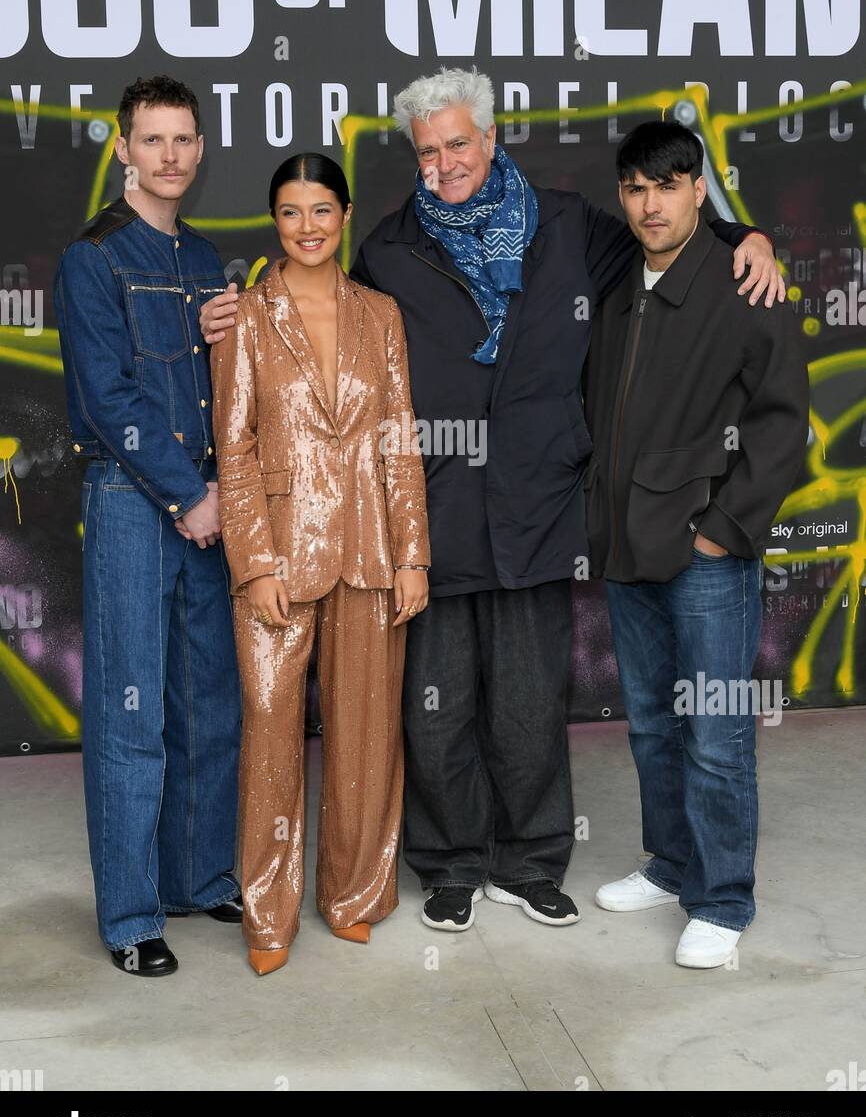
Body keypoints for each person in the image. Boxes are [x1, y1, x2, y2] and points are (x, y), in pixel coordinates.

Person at [201, 68, 784, 935]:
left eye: (458, 144)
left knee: (528, 699)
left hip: (540, 498)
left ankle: (532, 860)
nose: (443, 163)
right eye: (427, 151)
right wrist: (236, 315)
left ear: (491, 139)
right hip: (429, 509)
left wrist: (751, 237)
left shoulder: (567, 225)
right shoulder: (391, 248)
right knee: (435, 703)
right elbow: (334, 334)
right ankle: (450, 865)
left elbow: (670, 238)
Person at [585, 121, 809, 967]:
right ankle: (673, 865)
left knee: (715, 735)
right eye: (636, 188)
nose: (651, 204)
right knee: (649, 723)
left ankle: (722, 899)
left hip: (705, 553)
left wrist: (723, 532)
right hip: (625, 546)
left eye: (669, 186)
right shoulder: (615, 280)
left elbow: (784, 428)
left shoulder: (745, 284)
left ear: (697, 188)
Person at [210, 153, 429, 976]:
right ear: (275, 221)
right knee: (270, 740)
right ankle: (268, 913)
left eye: (322, 211)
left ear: (345, 214)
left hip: (372, 553)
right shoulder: (244, 317)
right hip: (276, 560)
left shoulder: (381, 314)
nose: (308, 227)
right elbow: (233, 450)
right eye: (291, 212)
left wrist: (413, 555)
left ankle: (355, 893)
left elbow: (400, 439)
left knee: (368, 736)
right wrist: (255, 562)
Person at [53, 76, 243, 977]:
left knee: (208, 703)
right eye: (152, 140)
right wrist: (186, 494)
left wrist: (221, 338)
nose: (169, 156)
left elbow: (224, 387)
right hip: (136, 503)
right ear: (124, 149)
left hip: (212, 505)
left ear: (201, 149)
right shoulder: (92, 257)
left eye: (184, 140)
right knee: (132, 712)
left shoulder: (208, 260)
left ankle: (200, 879)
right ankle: (131, 917)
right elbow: (107, 394)